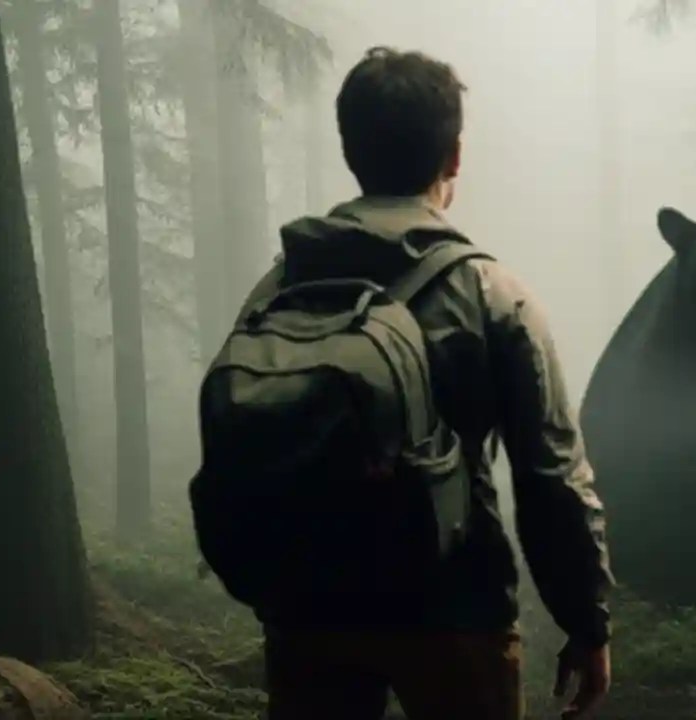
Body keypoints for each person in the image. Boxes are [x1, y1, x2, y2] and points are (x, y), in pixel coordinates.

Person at [256, 46, 614, 720]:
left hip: (308, 609)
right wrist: (586, 622)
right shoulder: (489, 292)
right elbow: (551, 478)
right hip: (455, 610)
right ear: (454, 156)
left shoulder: (284, 281)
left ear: (351, 150)